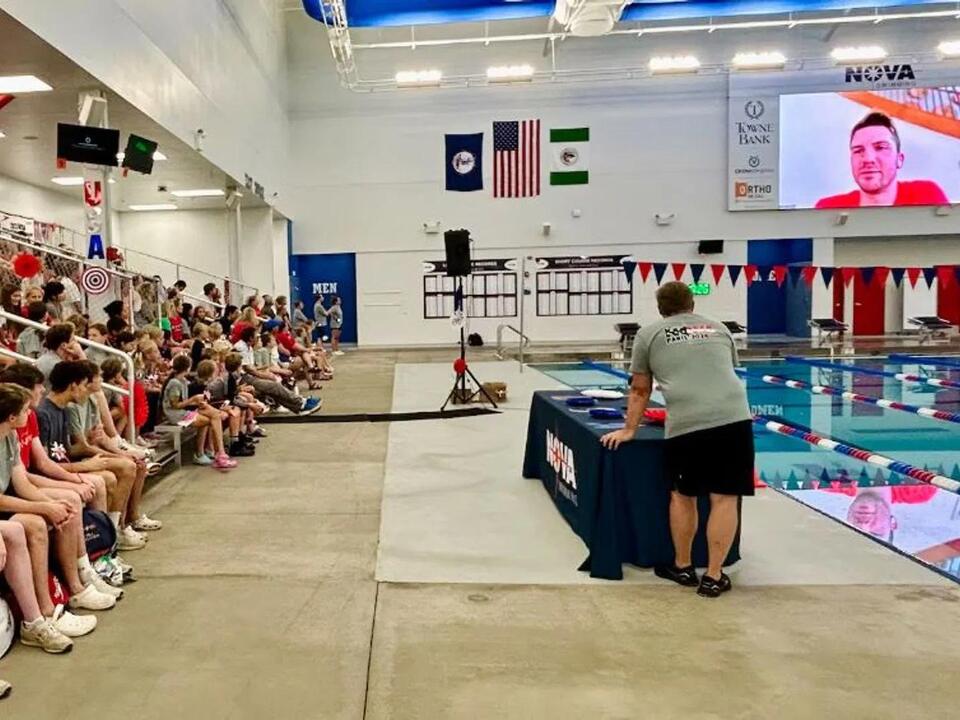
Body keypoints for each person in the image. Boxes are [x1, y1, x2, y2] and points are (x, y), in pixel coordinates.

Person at [600, 282, 754, 598]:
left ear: (660, 307)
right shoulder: (719, 328)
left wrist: (630, 429)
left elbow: (641, 389)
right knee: (724, 497)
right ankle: (713, 576)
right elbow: (723, 370)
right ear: (691, 303)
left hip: (688, 422)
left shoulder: (649, 334)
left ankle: (682, 567)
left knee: (683, 496)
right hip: (734, 417)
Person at [0, 383, 116, 630]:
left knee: (67, 503)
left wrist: (51, 503)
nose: (29, 412)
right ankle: (45, 610)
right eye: (24, 410)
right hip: (4, 506)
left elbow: (21, 483)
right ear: (11, 417)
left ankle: (79, 581)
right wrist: (44, 508)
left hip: (10, 500)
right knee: (34, 524)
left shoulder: (9, 437)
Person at [815, 111, 950, 209]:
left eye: (880, 147)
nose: (868, 159)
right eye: (858, 150)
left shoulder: (927, 196)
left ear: (899, 159)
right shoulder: (827, 209)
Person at [162, 353, 237, 469]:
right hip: (176, 414)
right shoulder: (175, 383)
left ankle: (214, 452)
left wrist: (197, 402)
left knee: (213, 416)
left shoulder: (183, 381)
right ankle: (214, 452)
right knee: (213, 417)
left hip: (184, 410)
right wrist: (193, 400)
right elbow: (175, 405)